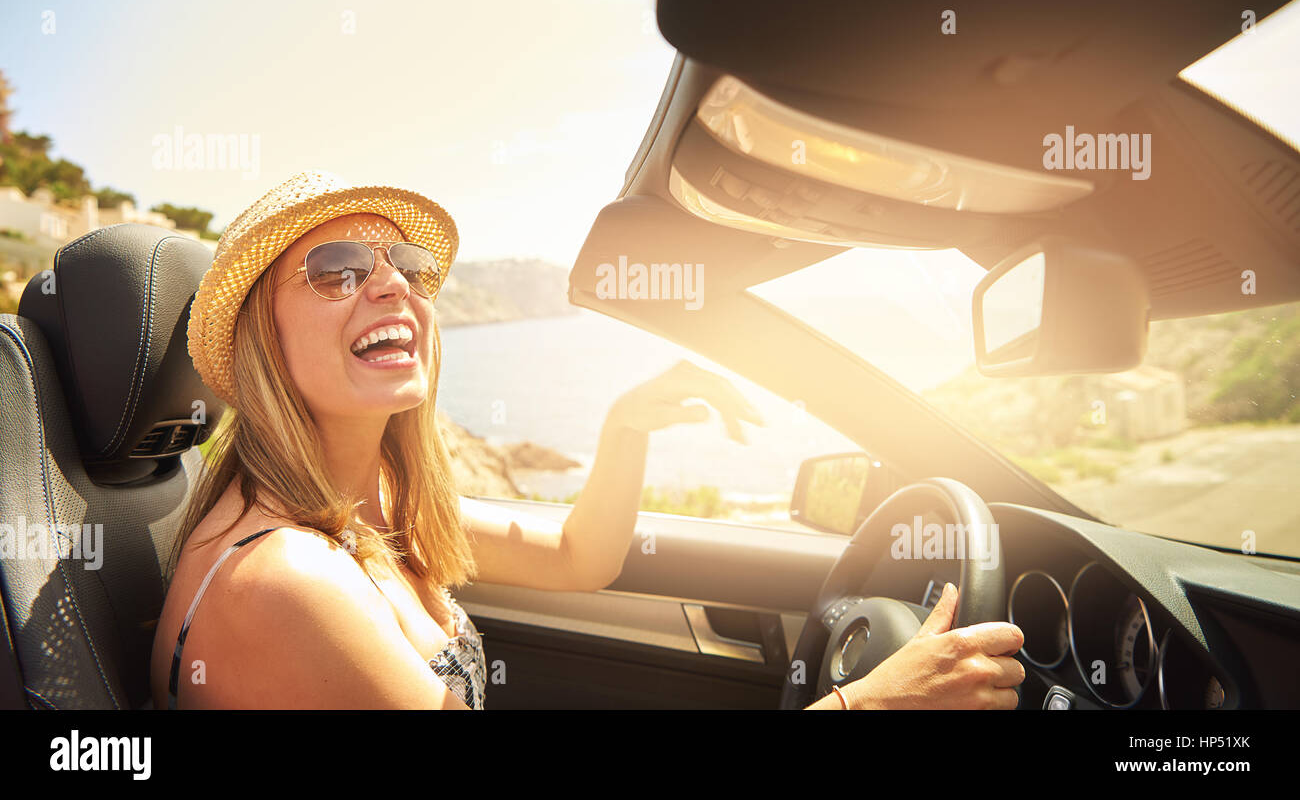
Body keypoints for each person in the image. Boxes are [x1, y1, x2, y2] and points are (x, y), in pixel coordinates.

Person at [150, 169, 1024, 710]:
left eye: (407, 268)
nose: (393, 287)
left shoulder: (368, 506)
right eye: (337, 270)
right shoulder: (286, 582)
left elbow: (578, 556)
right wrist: (868, 707)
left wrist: (625, 427)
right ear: (262, 339)